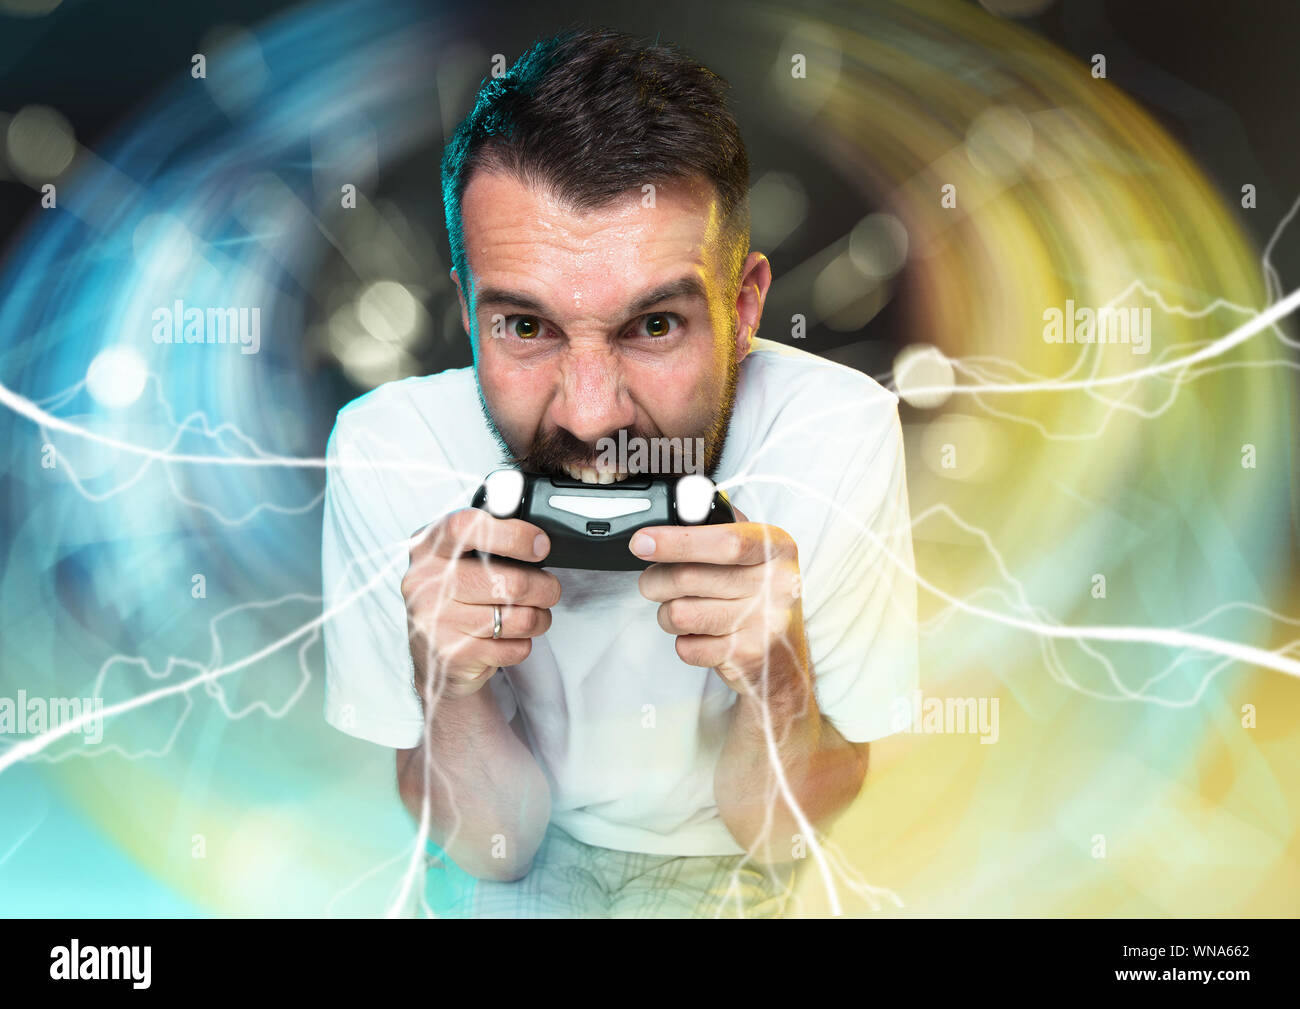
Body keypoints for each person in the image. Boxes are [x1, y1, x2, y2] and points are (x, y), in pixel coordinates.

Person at [321, 24, 918, 918]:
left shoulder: (836, 430)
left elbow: (779, 833)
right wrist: (447, 690)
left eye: (654, 326)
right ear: (468, 307)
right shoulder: (387, 447)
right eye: (526, 327)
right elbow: (490, 848)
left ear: (746, 305)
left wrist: (778, 678)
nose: (591, 414)